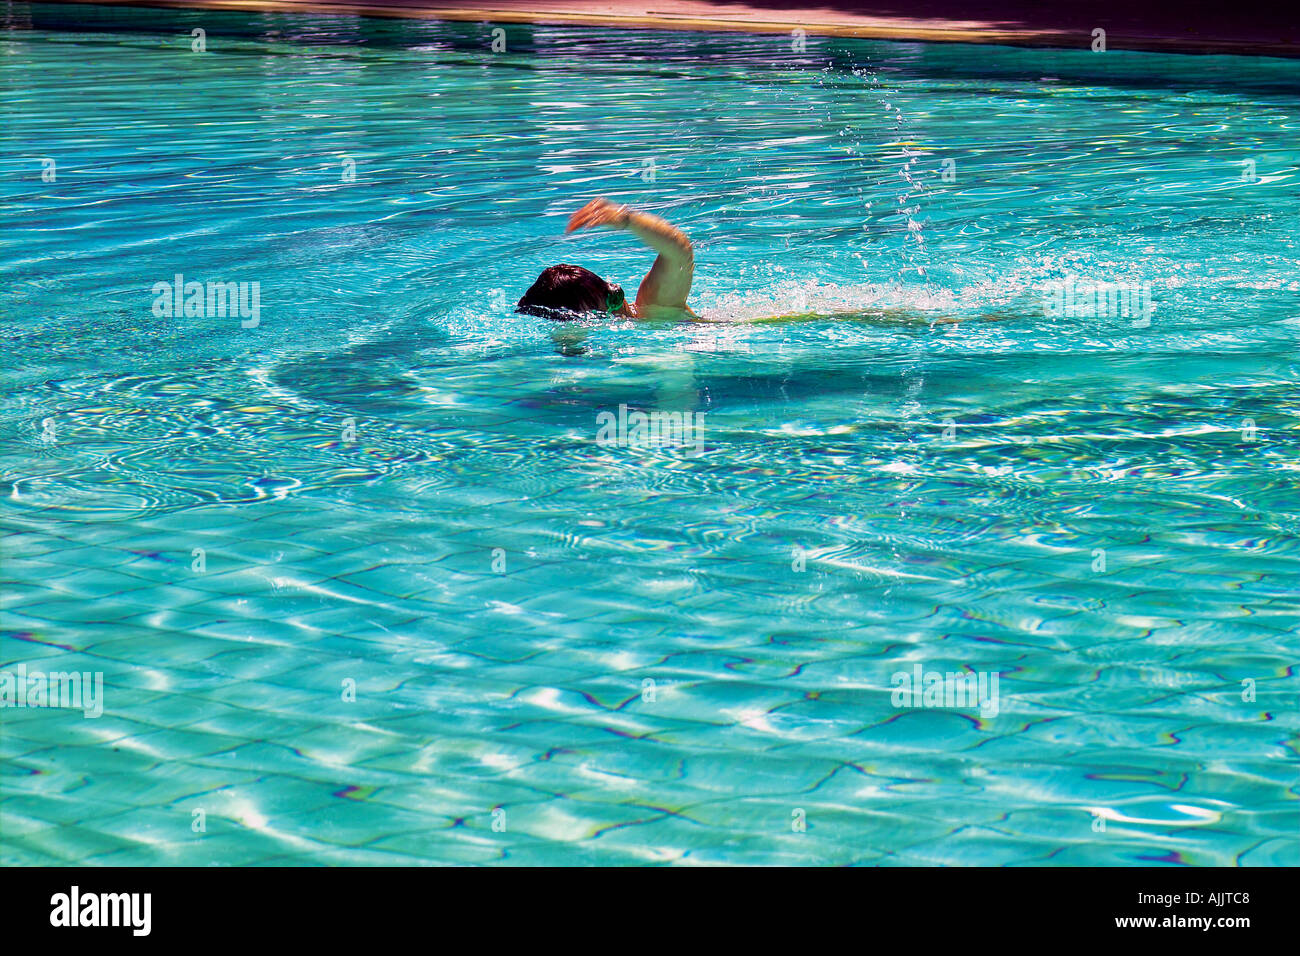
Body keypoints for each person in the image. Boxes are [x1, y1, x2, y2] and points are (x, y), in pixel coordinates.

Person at [517, 198, 697, 322]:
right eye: (612, 301)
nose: (621, 306)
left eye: (615, 296)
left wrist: (627, 219)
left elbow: (679, 252)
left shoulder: (655, 308)